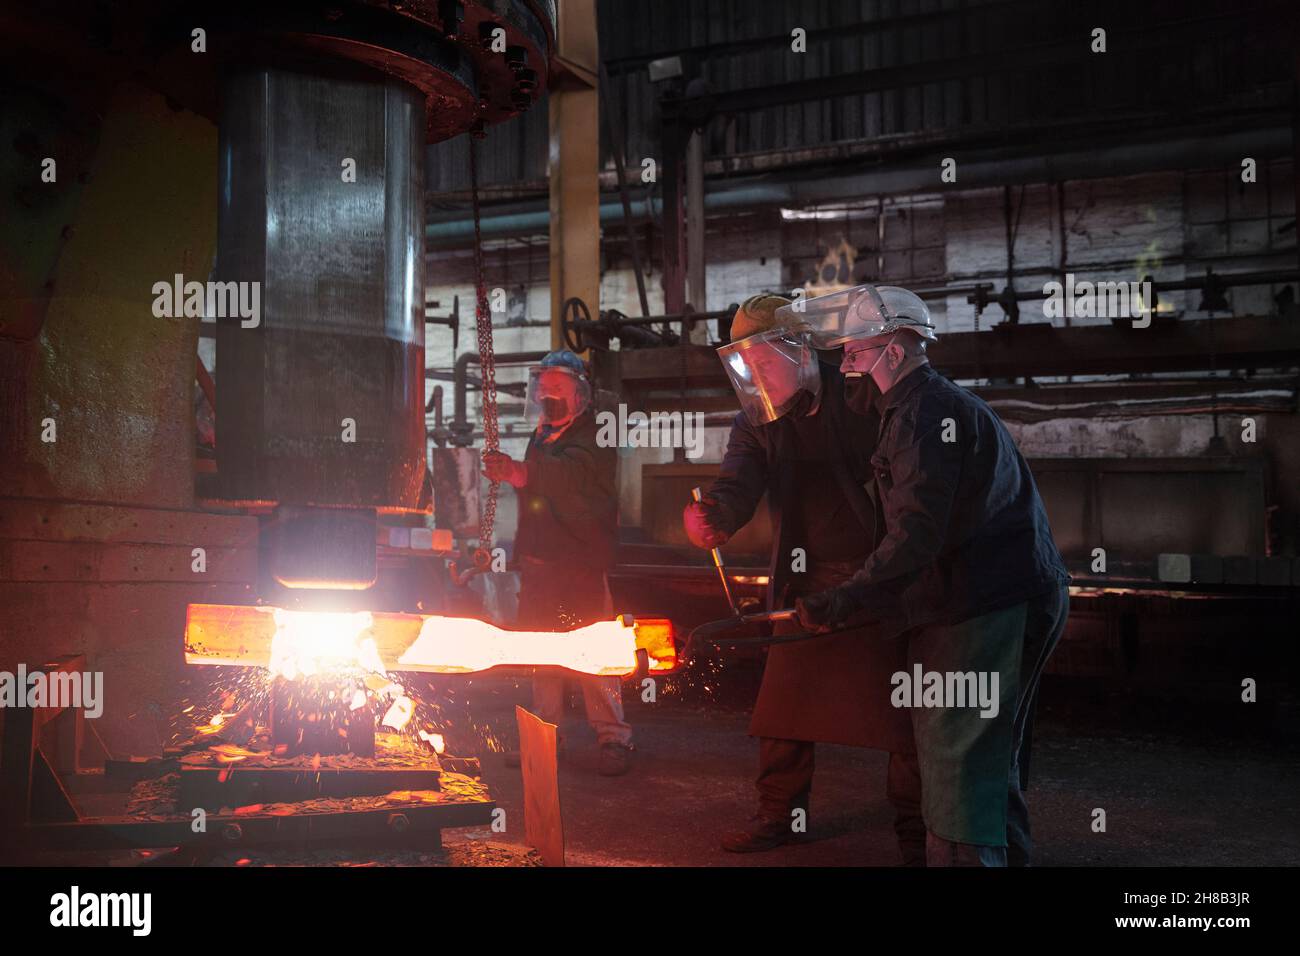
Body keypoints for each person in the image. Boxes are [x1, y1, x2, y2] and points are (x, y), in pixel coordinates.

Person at [790, 284, 1070, 866]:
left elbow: (916, 532)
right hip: (998, 597)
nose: (845, 368)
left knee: (960, 765)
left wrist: (848, 597)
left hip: (982, 608)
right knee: (987, 758)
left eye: (855, 353)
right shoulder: (924, 409)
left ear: (894, 350)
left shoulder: (924, 415)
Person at [684, 293, 925, 861]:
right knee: (783, 709)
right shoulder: (757, 421)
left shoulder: (862, 394)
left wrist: (889, 576)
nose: (757, 377)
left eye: (765, 361)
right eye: (746, 365)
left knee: (906, 714)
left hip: (882, 580)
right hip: (809, 581)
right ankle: (780, 816)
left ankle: (916, 831)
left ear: (801, 350)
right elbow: (738, 482)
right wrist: (716, 515)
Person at [483, 350, 634, 777]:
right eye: (545, 387)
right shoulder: (542, 436)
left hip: (580, 564)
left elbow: (568, 476)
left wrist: (518, 472)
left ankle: (614, 738)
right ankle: (545, 738)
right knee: (541, 653)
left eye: (559, 388)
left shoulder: (596, 434)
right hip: (541, 564)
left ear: (580, 393)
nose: (549, 395)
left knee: (594, 653)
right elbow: (538, 490)